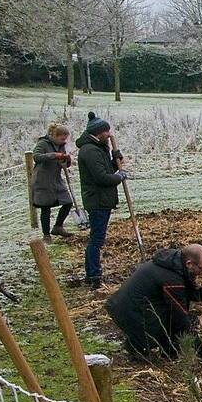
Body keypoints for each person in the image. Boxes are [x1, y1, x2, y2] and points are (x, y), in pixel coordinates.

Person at [104, 243, 202, 361]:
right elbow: (180, 318)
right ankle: (136, 346)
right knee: (175, 319)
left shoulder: (175, 265)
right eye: (201, 268)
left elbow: (191, 293)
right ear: (189, 263)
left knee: (175, 317)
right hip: (128, 312)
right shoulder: (171, 279)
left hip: (130, 306)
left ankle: (168, 348)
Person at [75, 116, 127, 289]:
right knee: (96, 239)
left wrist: (115, 160)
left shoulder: (98, 148)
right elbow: (101, 177)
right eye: (106, 130)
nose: (109, 133)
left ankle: (93, 273)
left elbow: (106, 169)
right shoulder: (90, 151)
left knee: (97, 238)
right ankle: (94, 274)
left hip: (101, 199)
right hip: (97, 200)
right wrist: (118, 177)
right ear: (98, 132)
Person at [30, 123, 75, 240]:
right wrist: (54, 155)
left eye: (65, 139)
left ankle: (58, 227)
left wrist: (66, 161)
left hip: (56, 179)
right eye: (61, 138)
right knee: (46, 207)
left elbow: (62, 164)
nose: (63, 141)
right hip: (42, 180)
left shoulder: (61, 146)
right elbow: (37, 157)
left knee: (68, 202)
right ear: (54, 135)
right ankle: (46, 235)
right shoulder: (43, 143)